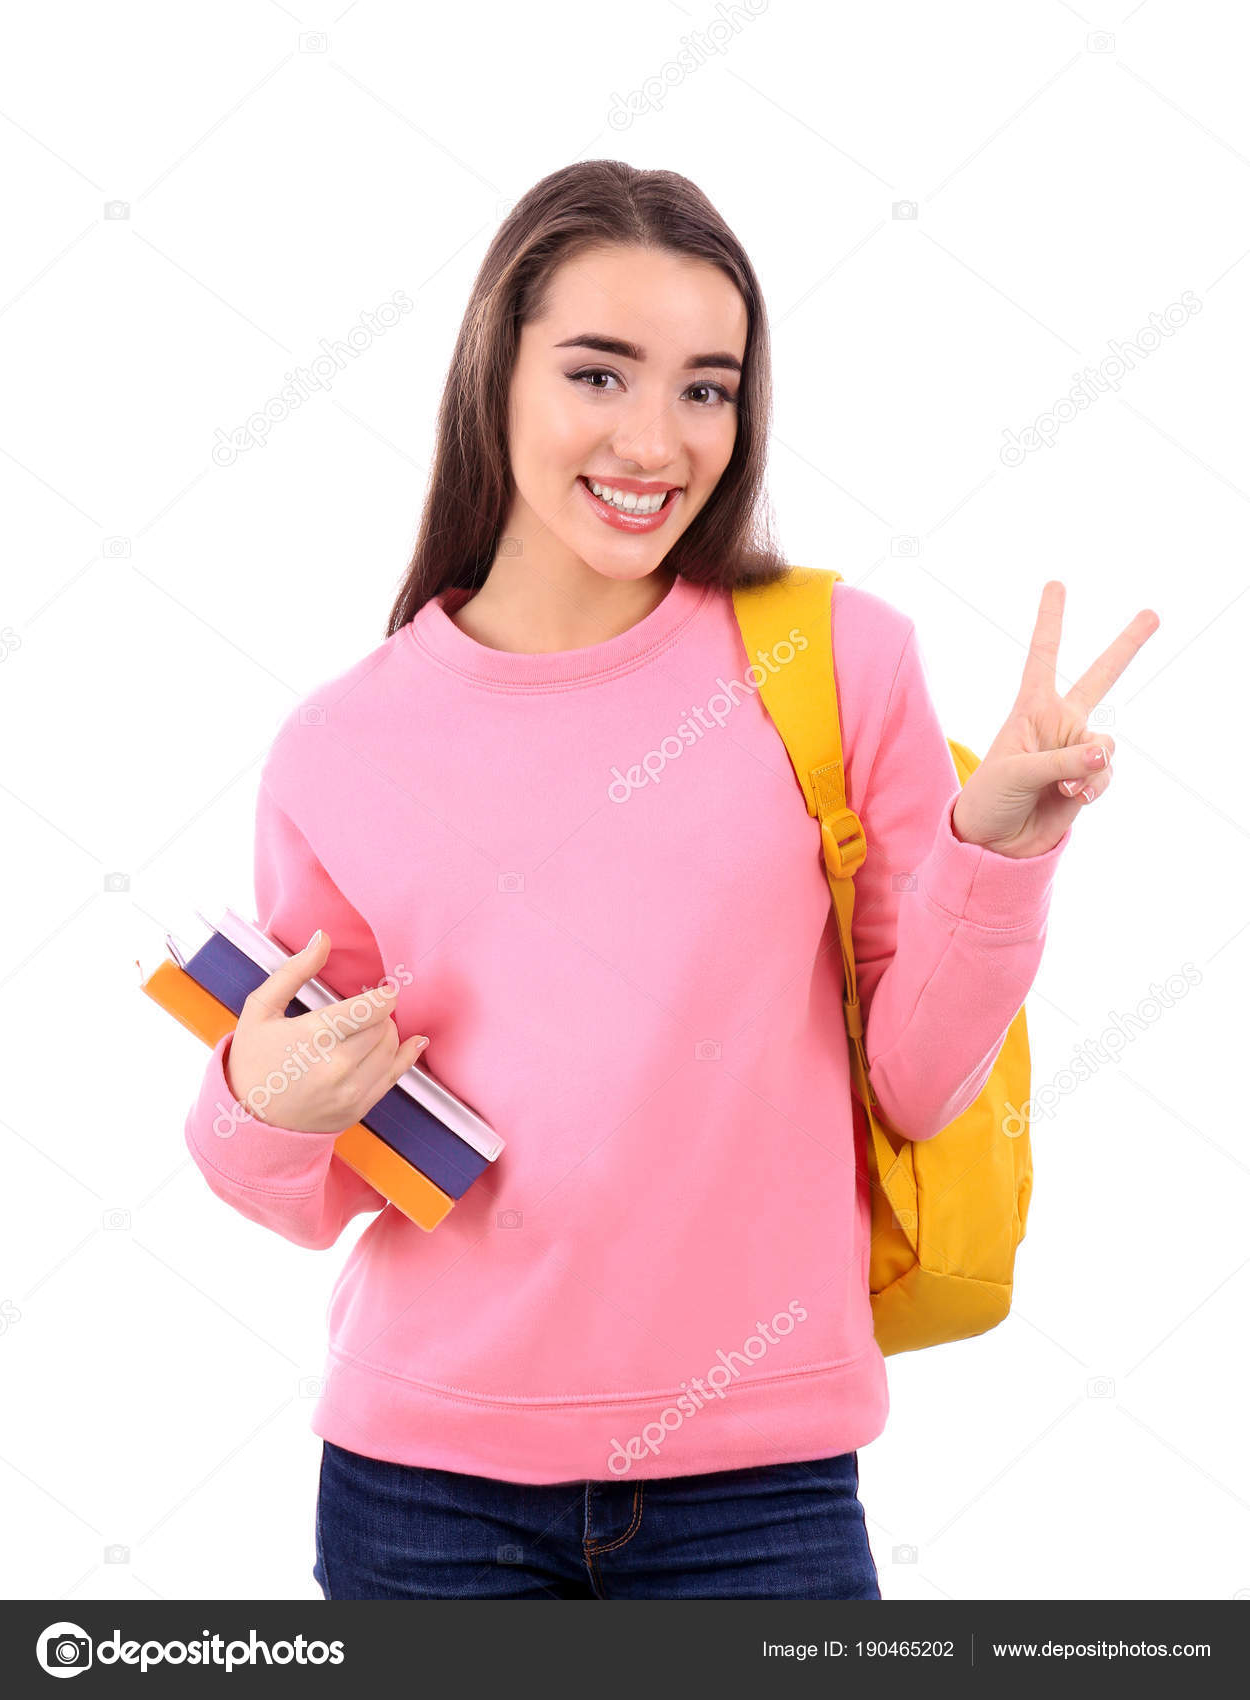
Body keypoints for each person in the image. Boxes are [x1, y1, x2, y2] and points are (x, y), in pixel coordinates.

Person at [182, 160, 1159, 1601]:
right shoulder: (344, 743)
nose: (656, 439)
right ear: (490, 379)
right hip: (424, 1497)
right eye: (598, 373)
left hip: (759, 1495)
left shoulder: (833, 658)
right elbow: (304, 1182)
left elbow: (915, 1083)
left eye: (707, 387)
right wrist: (261, 1103)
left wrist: (996, 851)